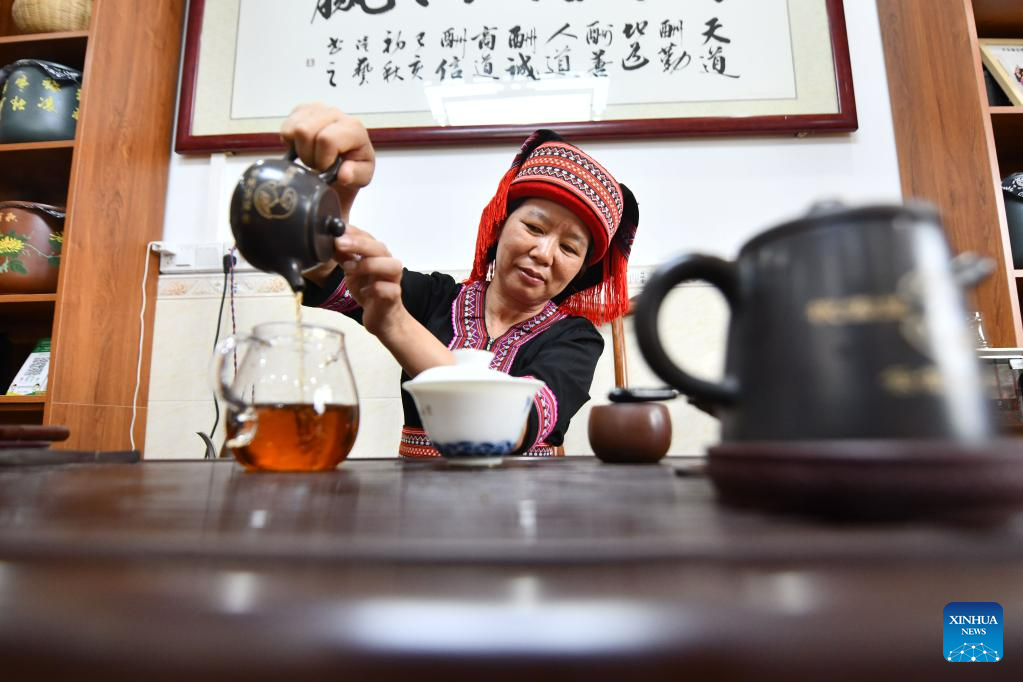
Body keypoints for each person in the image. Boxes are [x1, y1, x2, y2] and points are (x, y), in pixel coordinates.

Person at [282, 103, 638, 458]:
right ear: (500, 227)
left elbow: (508, 425)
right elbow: (323, 270)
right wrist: (335, 194)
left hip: (526, 508)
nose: (544, 253)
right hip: (416, 500)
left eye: (569, 248)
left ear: (579, 269)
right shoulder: (436, 297)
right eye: (533, 227)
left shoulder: (576, 339)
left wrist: (396, 324)